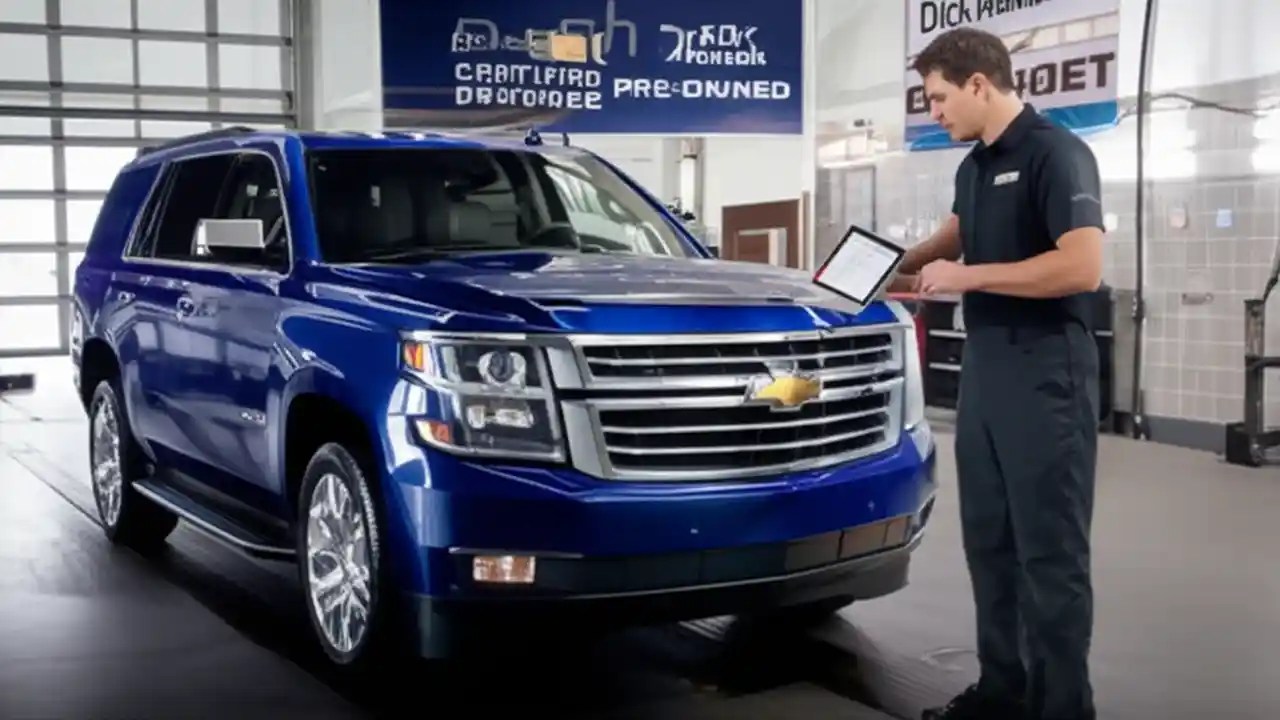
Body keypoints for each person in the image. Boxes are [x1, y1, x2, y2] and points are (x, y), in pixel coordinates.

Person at [892, 28, 1106, 720]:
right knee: (989, 543)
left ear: (980, 84)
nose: (935, 113)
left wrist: (966, 276)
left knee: (1049, 552)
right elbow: (956, 232)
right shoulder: (974, 165)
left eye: (940, 97)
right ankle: (1003, 692)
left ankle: (1062, 707)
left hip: (1048, 376)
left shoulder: (1058, 154)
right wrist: (887, 262)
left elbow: (1082, 267)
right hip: (988, 374)